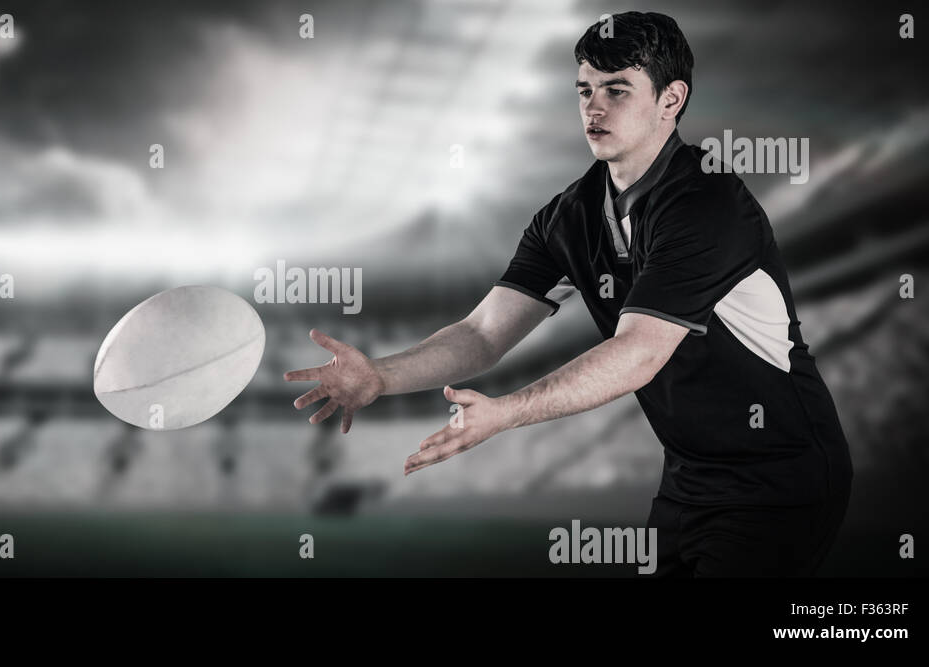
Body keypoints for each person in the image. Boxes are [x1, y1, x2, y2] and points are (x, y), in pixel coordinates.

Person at [284, 11, 852, 577]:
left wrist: (505, 413)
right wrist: (381, 376)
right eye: (584, 90)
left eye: (617, 89)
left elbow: (639, 352)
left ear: (671, 100)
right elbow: (483, 333)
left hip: (782, 475)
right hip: (689, 480)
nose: (593, 107)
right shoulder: (570, 214)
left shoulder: (708, 202)